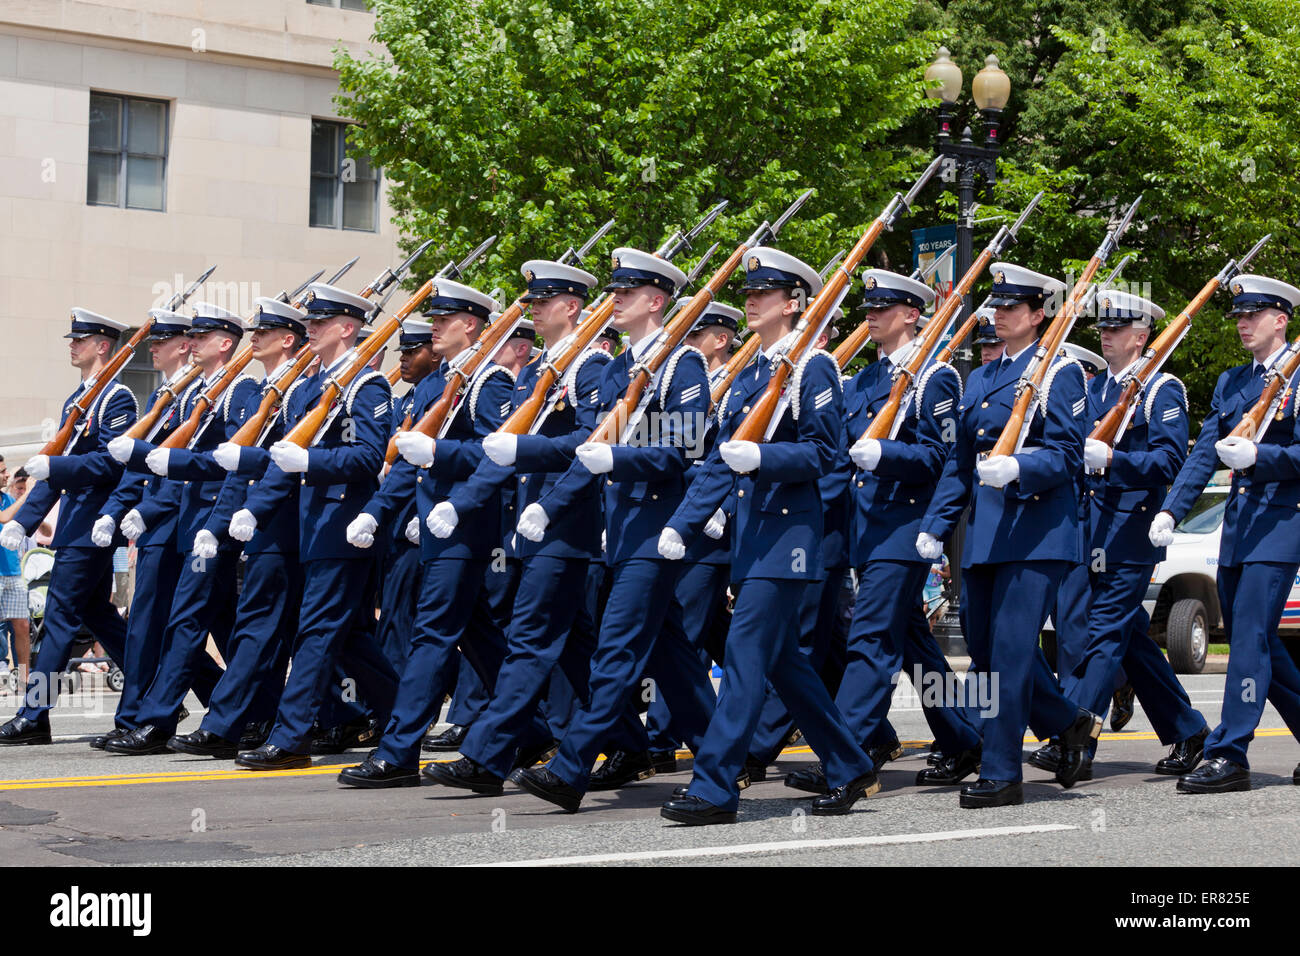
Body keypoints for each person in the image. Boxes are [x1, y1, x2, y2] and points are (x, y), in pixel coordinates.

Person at [648, 247, 877, 825]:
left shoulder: (813, 366)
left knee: (744, 659)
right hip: (753, 539)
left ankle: (716, 785)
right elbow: (723, 463)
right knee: (783, 666)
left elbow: (829, 455)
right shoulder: (754, 370)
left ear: (794, 304)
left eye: (763, 294)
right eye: (749, 293)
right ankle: (850, 764)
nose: (750, 301)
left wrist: (765, 458)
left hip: (788, 540)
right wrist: (685, 522)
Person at [490, 247, 718, 811]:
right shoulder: (620, 367)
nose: (613, 300)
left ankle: (570, 769)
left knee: (614, 652)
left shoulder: (680, 364)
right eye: (614, 291)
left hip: (657, 530)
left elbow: (680, 453)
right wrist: (551, 500)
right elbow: (592, 441)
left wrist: (617, 460)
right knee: (673, 658)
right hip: (621, 532)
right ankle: (723, 758)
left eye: (627, 292)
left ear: (656, 301)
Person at [917, 263, 1102, 808]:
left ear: (1038, 314)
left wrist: (1021, 467)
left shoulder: (1060, 373)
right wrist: (935, 527)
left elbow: (1069, 455)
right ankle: (1069, 722)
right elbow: (958, 464)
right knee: (982, 647)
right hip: (986, 535)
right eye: (996, 307)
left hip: (1038, 534)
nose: (1000, 316)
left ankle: (1001, 771)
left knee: (1012, 653)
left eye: (1012, 308)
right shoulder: (982, 377)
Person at [334, 277, 513, 785]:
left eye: (443, 320)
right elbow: (412, 463)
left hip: (464, 529)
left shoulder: (491, 379)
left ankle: (399, 752)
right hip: (435, 530)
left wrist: (453, 498)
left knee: (431, 637)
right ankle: (535, 724)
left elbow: (495, 453)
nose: (433, 327)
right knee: (481, 641)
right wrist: (377, 509)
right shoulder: (438, 382)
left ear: (471, 326)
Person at [228, 282, 401, 770]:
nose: (310, 329)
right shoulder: (306, 388)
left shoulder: (368, 385)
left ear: (347, 329)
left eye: (320, 323)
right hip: (310, 527)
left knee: (317, 632)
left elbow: (368, 457)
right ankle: (403, 713)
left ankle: (291, 738)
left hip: (345, 525)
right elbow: (284, 460)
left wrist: (311, 460)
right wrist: (255, 508)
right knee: (347, 638)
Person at [1047, 291, 1209, 778]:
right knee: (1129, 639)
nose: (1105, 336)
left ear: (1141, 338)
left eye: (1116, 330)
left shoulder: (1162, 390)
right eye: (1103, 329)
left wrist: (1117, 461)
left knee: (1102, 634)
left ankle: (1072, 736)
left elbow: (1171, 461)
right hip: (1092, 530)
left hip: (1133, 531)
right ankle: (1188, 729)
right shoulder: (1095, 391)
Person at [1152, 274, 1300, 793]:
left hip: (1283, 524)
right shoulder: (1233, 382)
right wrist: (1173, 509)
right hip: (1238, 529)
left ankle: (1230, 751)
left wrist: (1263, 456)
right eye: (1238, 316)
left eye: (1253, 315)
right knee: (1253, 641)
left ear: (1280, 320)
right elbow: (1203, 452)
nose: (1242, 323)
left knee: (1250, 640)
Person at [105, 302, 261, 754]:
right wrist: (151, 505)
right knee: (229, 627)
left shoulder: (240, 390)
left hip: (213, 521)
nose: (190, 343)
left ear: (225, 343)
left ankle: (157, 720)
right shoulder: (201, 392)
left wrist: (215, 524)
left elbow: (234, 465)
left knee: (188, 621)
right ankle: (261, 712)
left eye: (202, 335)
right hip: (189, 520)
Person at [167, 296, 313, 757]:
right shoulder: (273, 391)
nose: (255, 339)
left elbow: (283, 463)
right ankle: (343, 715)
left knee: (268, 626)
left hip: (290, 522)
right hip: (263, 522)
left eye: (264, 333)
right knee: (281, 629)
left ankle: (227, 723)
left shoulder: (299, 390)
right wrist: (221, 521)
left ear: (287, 340)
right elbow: (242, 466)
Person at [1, 308, 136, 745]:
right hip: (76, 526)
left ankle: (34, 715)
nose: (72, 345)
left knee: (58, 617)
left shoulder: (118, 398)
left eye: (81, 340)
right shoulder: (76, 399)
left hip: (95, 526)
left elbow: (110, 463)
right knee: (99, 616)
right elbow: (54, 470)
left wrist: (56, 465)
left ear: (103, 346)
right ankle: (152, 684)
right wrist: (23, 522)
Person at [90, 307, 203, 748]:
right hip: (157, 521)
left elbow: (191, 469)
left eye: (162, 342)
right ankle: (138, 713)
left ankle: (153, 714)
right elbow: (139, 468)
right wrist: (114, 511)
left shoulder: (197, 395)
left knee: (178, 624)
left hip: (181, 521)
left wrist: (150, 511)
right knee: (151, 623)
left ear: (186, 346)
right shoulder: (166, 395)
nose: (153, 349)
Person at [0, 459, 32, 689]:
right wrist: (28, 494)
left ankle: (24, 677)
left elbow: (27, 520)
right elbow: (5, 517)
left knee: (22, 625)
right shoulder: (11, 503)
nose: (7, 474)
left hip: (13, 571)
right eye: (2, 471)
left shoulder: (8, 499)